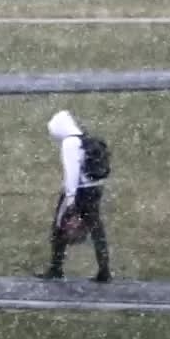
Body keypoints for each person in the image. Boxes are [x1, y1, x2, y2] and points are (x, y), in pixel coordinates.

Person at [37, 109, 111, 282]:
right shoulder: (85, 140)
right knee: (96, 230)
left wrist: (70, 199)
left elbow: (72, 173)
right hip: (94, 190)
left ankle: (56, 268)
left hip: (79, 191)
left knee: (58, 227)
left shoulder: (70, 143)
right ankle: (104, 271)